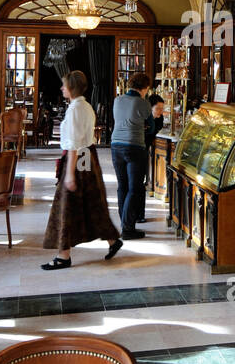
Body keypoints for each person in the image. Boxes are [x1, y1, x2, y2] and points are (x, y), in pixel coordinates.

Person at [41, 71, 122, 269]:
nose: (61, 88)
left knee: (66, 206)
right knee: (91, 202)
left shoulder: (76, 109)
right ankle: (112, 240)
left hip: (78, 161)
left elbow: (74, 145)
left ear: (71, 88)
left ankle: (63, 255)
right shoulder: (85, 106)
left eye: (64, 85)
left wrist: (69, 174)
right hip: (87, 158)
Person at [110, 72, 153, 239]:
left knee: (122, 186)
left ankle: (125, 223)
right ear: (144, 88)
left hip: (116, 146)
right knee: (134, 188)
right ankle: (127, 229)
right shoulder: (143, 103)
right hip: (134, 146)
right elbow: (150, 124)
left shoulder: (117, 100)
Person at [136, 93, 166, 224]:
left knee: (141, 183)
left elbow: (155, 130)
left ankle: (139, 214)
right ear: (150, 108)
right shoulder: (142, 119)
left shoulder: (159, 119)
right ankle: (136, 214)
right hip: (137, 150)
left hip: (144, 151)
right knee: (137, 184)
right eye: (158, 108)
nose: (161, 111)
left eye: (162, 108)